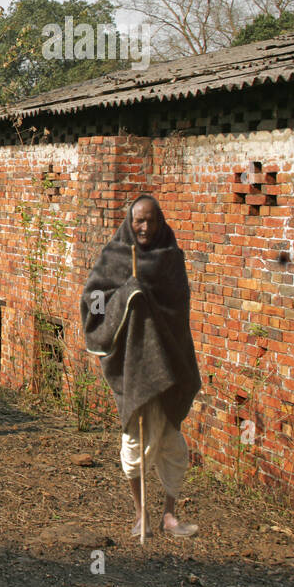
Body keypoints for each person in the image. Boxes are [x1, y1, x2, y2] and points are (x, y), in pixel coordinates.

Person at [81, 194, 201, 539]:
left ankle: (169, 516)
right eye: (138, 221)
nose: (144, 227)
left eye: (150, 220)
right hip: (134, 365)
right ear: (129, 222)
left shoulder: (170, 257)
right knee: (135, 444)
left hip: (169, 362)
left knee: (173, 445)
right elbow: (92, 301)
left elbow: (178, 306)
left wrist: (148, 298)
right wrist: (125, 296)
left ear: (159, 221)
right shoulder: (116, 256)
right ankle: (140, 515)